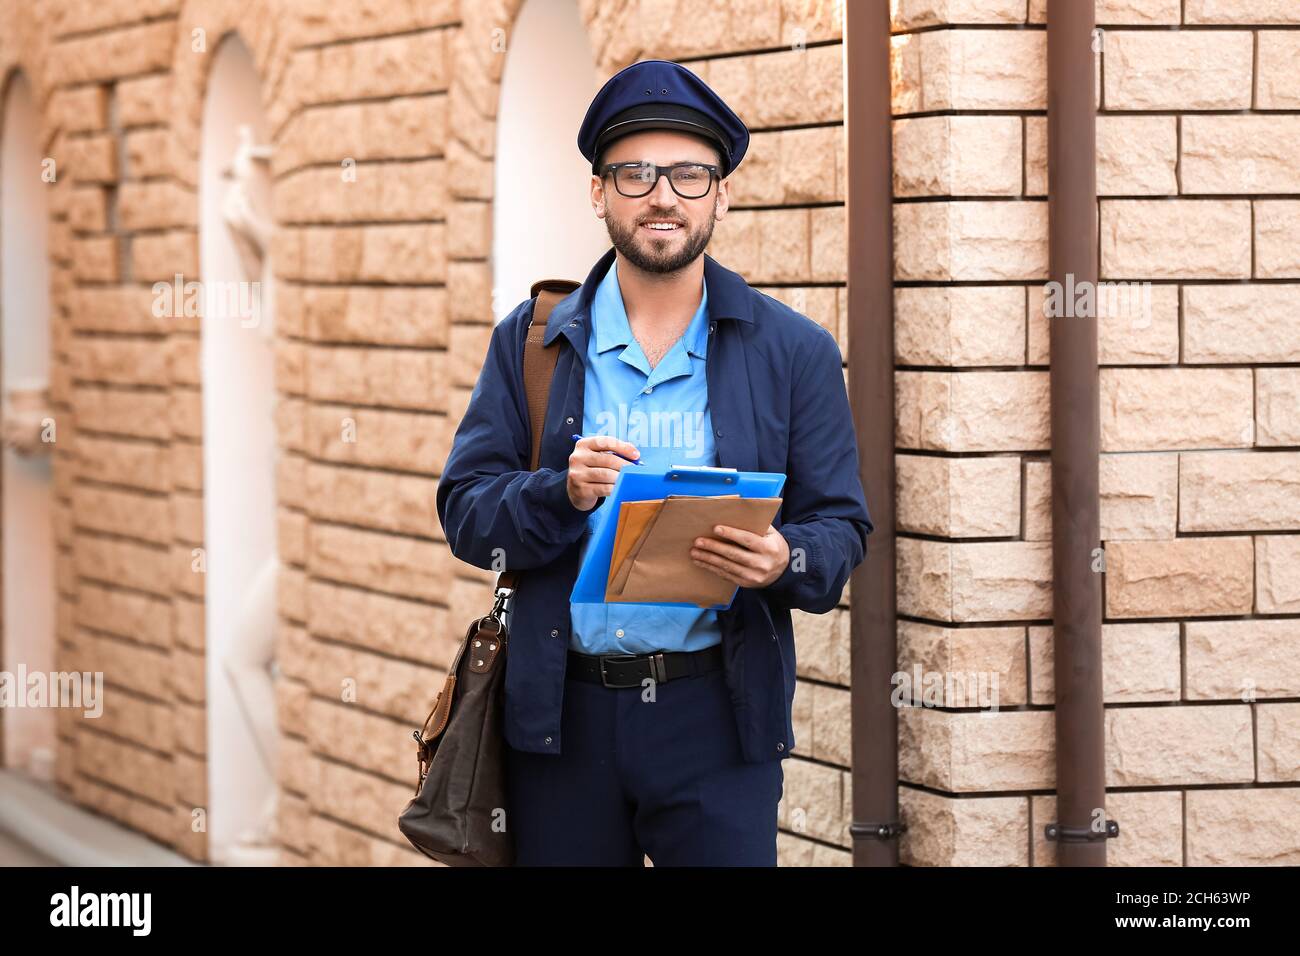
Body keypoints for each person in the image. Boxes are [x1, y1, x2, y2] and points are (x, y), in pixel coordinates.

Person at [435, 59, 873, 866]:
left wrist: (786, 557)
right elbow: (465, 511)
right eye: (635, 173)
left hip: (716, 718)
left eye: (688, 174)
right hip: (558, 721)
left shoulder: (793, 351)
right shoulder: (530, 342)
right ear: (598, 192)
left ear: (722, 194)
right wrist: (557, 493)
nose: (663, 195)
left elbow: (842, 529)